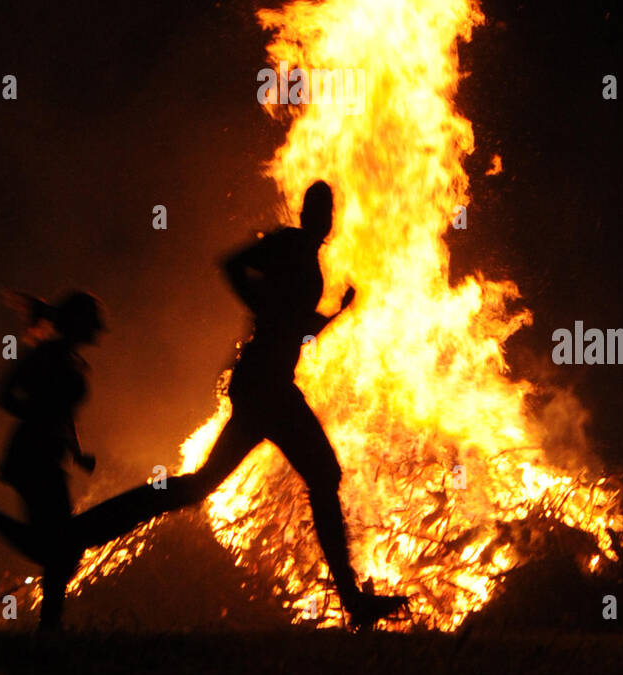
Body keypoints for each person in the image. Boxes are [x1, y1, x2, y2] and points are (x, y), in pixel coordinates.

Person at [76, 182, 408, 629]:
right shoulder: (288, 244)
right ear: (305, 213)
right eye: (315, 209)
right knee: (323, 474)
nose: (322, 217)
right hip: (266, 386)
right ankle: (354, 602)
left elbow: (295, 330)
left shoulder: (306, 255)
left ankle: (86, 531)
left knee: (200, 486)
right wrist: (263, 303)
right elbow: (232, 267)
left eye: (327, 210)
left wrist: (334, 315)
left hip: (265, 384)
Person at [0, 290, 103, 630]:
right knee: (61, 548)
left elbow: (67, 414)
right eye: (93, 322)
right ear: (77, 322)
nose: (100, 330)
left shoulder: (76, 363)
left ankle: (50, 627)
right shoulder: (44, 355)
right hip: (31, 453)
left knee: (59, 548)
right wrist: (37, 417)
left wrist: (76, 453)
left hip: (50, 455)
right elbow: (2, 394)